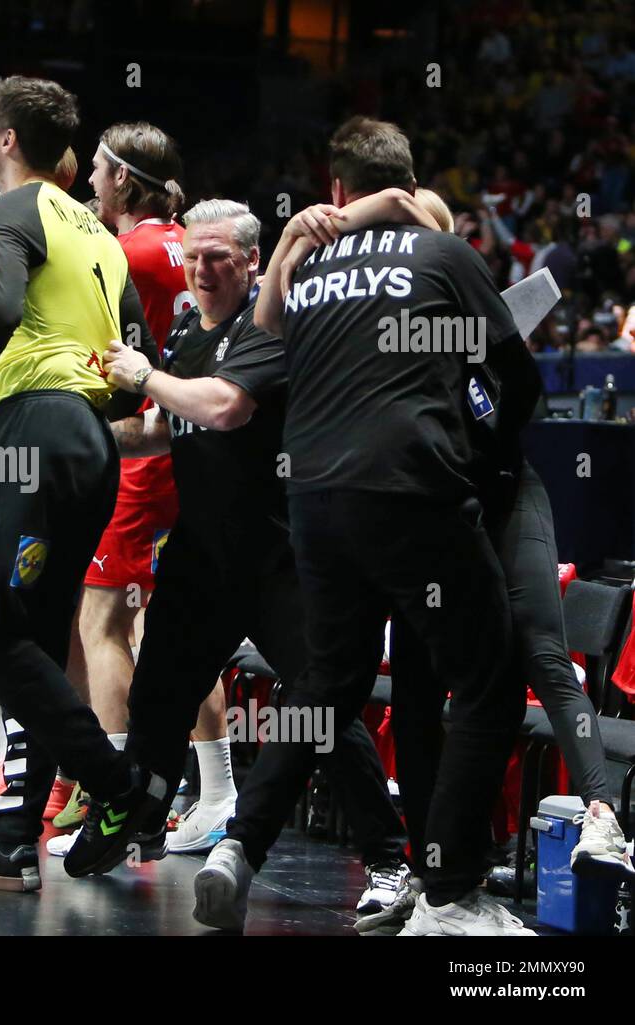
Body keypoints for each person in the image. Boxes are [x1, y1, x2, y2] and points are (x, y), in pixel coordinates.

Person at [195, 116, 541, 935]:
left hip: (314, 499)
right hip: (411, 487)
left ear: (338, 190)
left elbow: (263, 339)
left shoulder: (308, 271)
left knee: (327, 683)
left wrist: (290, 247)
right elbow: (517, 379)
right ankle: (451, 894)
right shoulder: (445, 254)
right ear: (411, 184)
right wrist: (481, 455)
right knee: (490, 678)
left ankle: (239, 845)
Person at [101, 198, 412, 932]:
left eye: (218, 258)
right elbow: (164, 427)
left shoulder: (268, 330)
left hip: (283, 560)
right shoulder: (182, 327)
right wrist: (82, 438)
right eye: (194, 258)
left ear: (251, 262)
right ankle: (135, 822)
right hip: (203, 556)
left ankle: (392, 861)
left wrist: (143, 373)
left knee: (321, 710)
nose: (203, 270)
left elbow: (223, 409)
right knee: (157, 697)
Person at [0, 76, 166, 892]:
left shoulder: (10, 213)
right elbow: (131, 370)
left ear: (8, 139)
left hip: (32, 432)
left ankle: (122, 786)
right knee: (40, 640)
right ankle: (15, 840)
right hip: (91, 442)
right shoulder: (104, 239)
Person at [48, 121, 190, 845]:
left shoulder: (123, 251)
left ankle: (117, 798)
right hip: (178, 445)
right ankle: (193, 788)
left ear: (125, 181)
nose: (91, 182)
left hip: (133, 450)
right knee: (155, 627)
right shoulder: (185, 240)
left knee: (100, 624)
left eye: (101, 172)